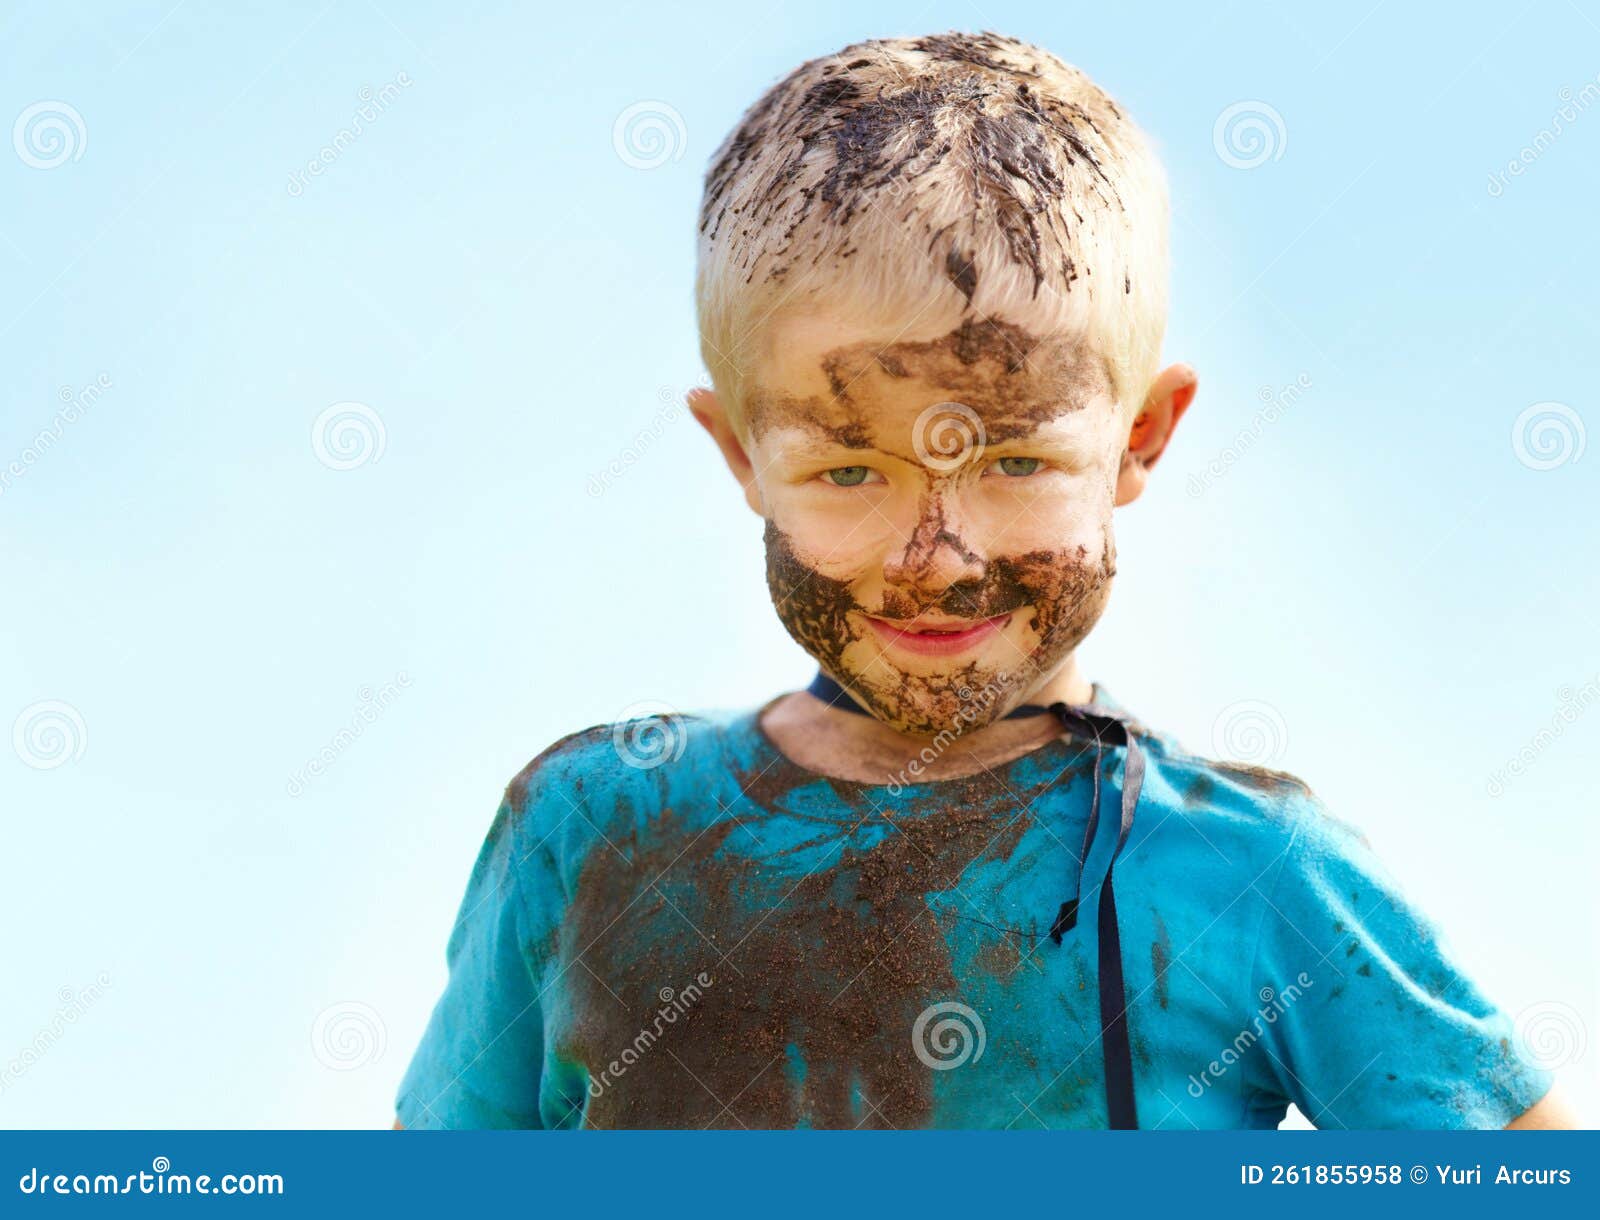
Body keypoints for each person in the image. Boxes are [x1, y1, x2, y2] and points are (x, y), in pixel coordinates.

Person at [395, 31, 1573, 1130]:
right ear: (741, 455)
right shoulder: (590, 827)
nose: (937, 558)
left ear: (1140, 440)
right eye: (850, 468)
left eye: (1015, 459)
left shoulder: (1249, 872)